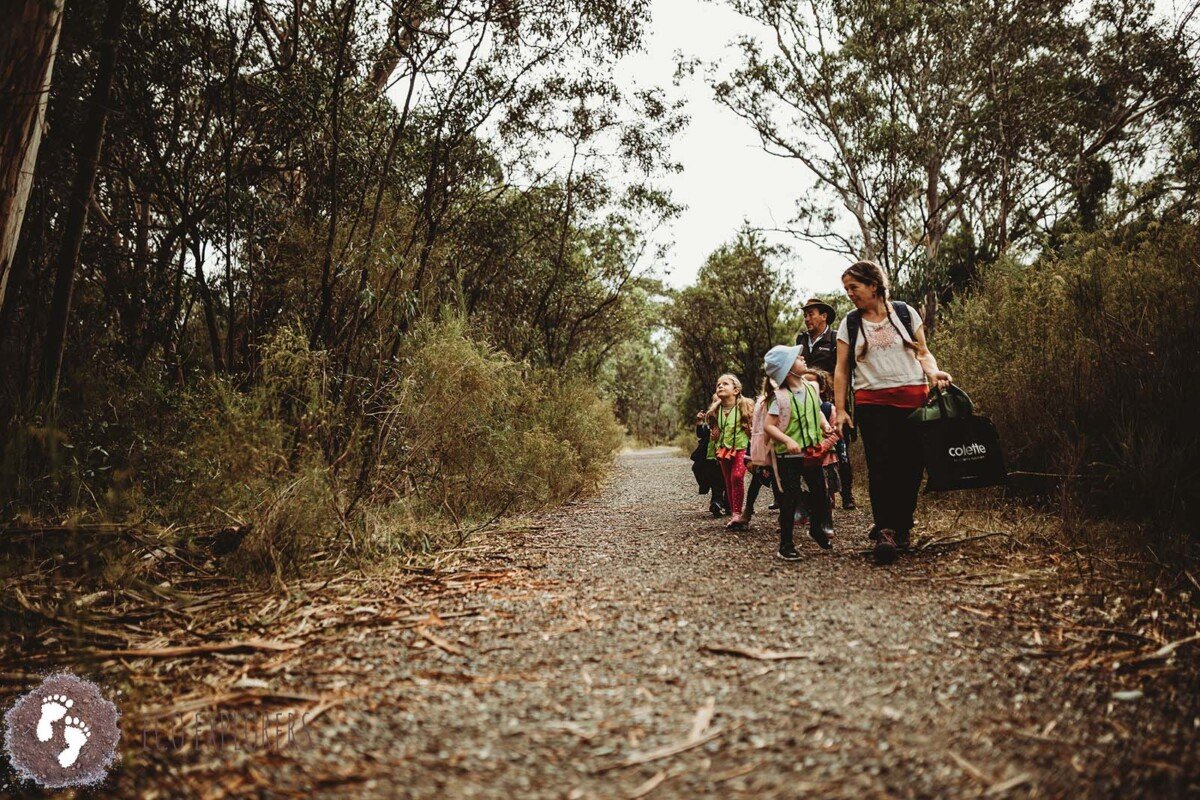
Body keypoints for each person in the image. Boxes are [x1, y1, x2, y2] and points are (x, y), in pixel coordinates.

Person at [833, 260, 952, 565]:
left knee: (912, 466)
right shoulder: (850, 323)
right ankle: (886, 530)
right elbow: (842, 369)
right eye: (846, 288)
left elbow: (922, 352)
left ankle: (903, 525)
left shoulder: (904, 312)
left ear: (874, 285)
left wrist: (935, 373)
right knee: (881, 464)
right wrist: (842, 410)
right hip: (872, 402)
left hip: (913, 399)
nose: (849, 294)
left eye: (854, 287)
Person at [762, 345, 836, 560]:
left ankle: (815, 529)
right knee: (789, 500)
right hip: (788, 456)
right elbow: (769, 426)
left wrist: (824, 425)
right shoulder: (780, 397)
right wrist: (787, 440)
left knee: (821, 496)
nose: (803, 358)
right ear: (788, 370)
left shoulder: (812, 388)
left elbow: (817, 410)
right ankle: (786, 544)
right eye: (797, 357)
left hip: (812, 453)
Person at [797, 297, 856, 509]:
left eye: (811, 313)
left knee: (840, 448)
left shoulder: (834, 338)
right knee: (810, 447)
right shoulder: (801, 340)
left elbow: (844, 370)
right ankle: (814, 495)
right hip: (805, 403)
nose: (807, 318)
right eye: (805, 314)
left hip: (832, 402)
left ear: (824, 316)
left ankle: (847, 495)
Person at [705, 375, 754, 530]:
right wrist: (714, 434)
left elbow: (753, 428)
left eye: (725, 384)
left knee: (737, 477)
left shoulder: (745, 406)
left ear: (736, 390)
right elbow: (713, 430)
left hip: (741, 447)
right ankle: (735, 514)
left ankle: (740, 513)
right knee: (728, 482)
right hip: (723, 449)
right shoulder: (715, 410)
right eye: (718, 384)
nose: (720, 386)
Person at [802, 368, 841, 529]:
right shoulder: (799, 407)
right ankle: (810, 516)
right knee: (809, 488)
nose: (806, 384)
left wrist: (822, 447)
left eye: (811, 381)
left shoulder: (828, 408)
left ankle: (827, 518)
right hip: (807, 455)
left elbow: (836, 432)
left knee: (827, 490)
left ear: (822, 387)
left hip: (826, 457)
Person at [691, 408, 728, 516]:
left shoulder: (728, 425)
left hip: (725, 456)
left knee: (726, 482)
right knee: (717, 483)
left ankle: (727, 505)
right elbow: (701, 434)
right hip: (710, 459)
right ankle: (716, 503)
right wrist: (699, 422)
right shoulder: (709, 427)